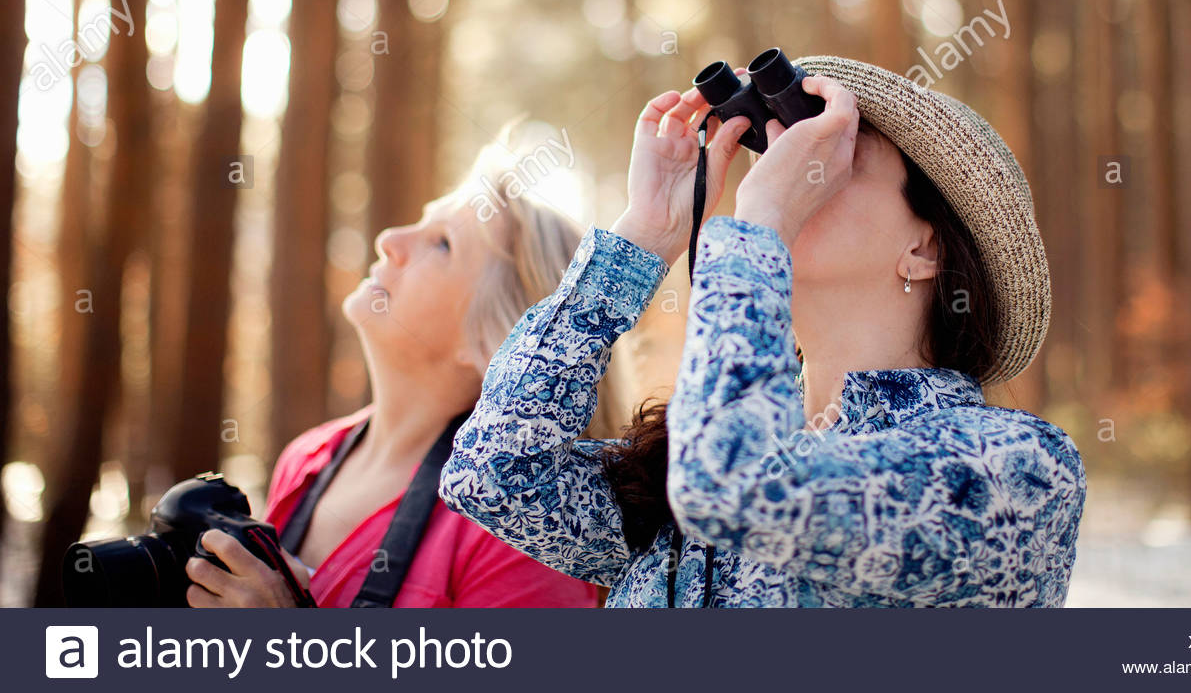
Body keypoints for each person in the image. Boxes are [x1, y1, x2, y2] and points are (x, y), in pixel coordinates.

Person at [440, 55, 1087, 607]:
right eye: (783, 150)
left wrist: (760, 231)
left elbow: (737, 487)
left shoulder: (1013, 467)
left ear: (925, 249)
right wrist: (644, 235)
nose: (787, 169)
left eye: (838, 156)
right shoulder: (688, 459)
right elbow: (493, 471)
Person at [186, 127, 599, 608]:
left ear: (499, 344)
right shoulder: (305, 460)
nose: (389, 240)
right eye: (421, 224)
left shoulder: (518, 529)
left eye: (442, 244)